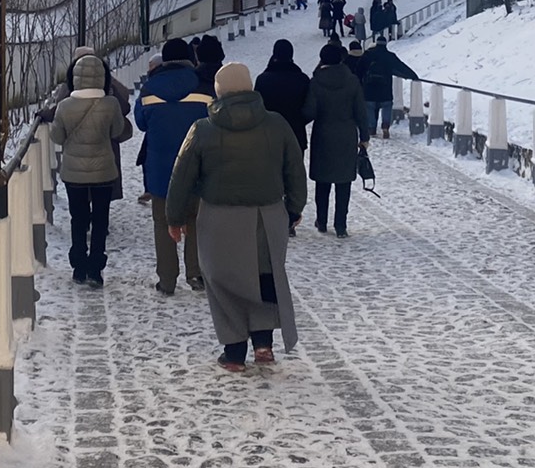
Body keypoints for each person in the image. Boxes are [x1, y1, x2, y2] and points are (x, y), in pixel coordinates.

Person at [167, 63, 307, 371]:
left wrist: (174, 217)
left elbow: (182, 175)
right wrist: (295, 208)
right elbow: (295, 168)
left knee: (223, 282)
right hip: (267, 216)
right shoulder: (277, 124)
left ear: (219, 91)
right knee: (264, 276)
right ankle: (263, 344)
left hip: (219, 218)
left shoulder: (202, 129)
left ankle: (233, 352)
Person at [136, 40, 212, 294]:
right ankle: (196, 273)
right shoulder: (203, 85)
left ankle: (167, 279)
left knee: (163, 222)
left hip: (160, 168)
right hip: (198, 166)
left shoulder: (149, 89)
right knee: (195, 220)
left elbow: (141, 123)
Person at [52, 53, 132, 286]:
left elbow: (57, 136)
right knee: (100, 219)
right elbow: (117, 131)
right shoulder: (110, 104)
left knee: (78, 218)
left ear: (75, 77)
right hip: (103, 171)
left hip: (73, 172)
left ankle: (78, 266)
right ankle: (95, 269)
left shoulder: (65, 106)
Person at [305, 41, 366, 236]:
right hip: (347, 135)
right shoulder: (352, 80)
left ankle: (321, 220)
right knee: (344, 181)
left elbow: (309, 111)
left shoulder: (315, 82)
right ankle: (341, 224)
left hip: (323, 134)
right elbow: (360, 111)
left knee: (322, 181)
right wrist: (364, 136)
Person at [255, 39, 312, 152]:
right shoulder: (302, 79)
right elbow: (309, 109)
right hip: (296, 134)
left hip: (269, 136)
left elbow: (257, 109)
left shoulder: (262, 80)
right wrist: (298, 121)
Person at [358, 35, 418, 138]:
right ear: (386, 44)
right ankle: (385, 126)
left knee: (370, 108)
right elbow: (401, 67)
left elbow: (359, 69)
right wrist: (413, 75)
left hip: (369, 89)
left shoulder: (368, 55)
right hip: (385, 89)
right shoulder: (390, 56)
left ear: (376, 43)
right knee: (386, 106)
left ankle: (371, 128)